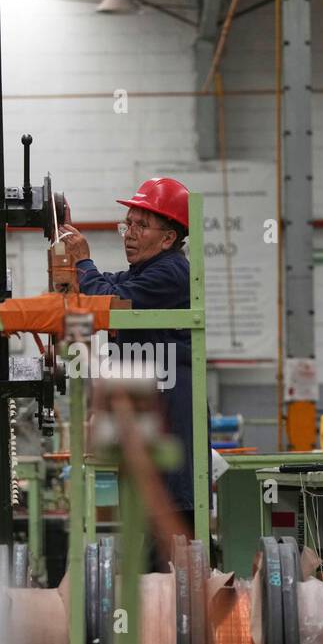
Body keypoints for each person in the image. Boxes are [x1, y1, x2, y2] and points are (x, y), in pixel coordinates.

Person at [57, 177, 200, 546]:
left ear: (168, 238)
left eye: (141, 225)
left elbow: (108, 302)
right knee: (144, 545)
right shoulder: (143, 274)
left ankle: (179, 603)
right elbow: (103, 286)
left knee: (172, 551)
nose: (129, 234)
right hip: (144, 422)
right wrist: (70, 252)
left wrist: (83, 258)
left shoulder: (172, 273)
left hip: (169, 422)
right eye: (127, 224)